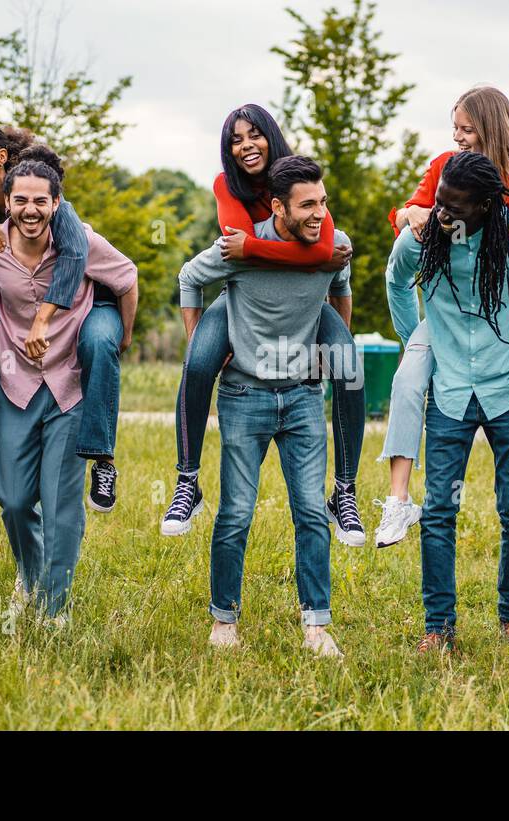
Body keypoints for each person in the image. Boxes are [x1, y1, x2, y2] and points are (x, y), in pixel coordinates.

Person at [387, 151, 509, 653]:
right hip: (450, 391)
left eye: (456, 207)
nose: (444, 214)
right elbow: (395, 281)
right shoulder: (427, 234)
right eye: (440, 202)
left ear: (488, 205)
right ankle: (438, 627)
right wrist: (418, 346)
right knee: (438, 512)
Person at [378, 86, 509, 545]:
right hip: (452, 306)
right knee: (409, 378)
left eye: (467, 129)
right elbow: (407, 217)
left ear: (491, 128)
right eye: (455, 128)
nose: (459, 137)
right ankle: (398, 500)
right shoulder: (445, 167)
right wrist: (413, 212)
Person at [161, 104, 366, 547]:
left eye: (254, 135)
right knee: (197, 365)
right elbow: (242, 250)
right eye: (236, 139)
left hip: (306, 302)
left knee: (349, 363)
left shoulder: (302, 184)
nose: (246, 145)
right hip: (242, 293)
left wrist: (326, 343)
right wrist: (199, 338)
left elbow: (330, 258)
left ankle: (345, 490)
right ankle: (186, 481)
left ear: (272, 136)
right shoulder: (227, 186)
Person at [178, 156, 351, 657]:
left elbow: (341, 292)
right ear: (278, 207)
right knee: (235, 513)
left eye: (323, 201)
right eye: (308, 205)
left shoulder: (331, 249)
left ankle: (317, 626)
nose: (320, 213)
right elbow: (189, 277)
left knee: (311, 515)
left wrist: (329, 343)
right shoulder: (237, 246)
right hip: (244, 394)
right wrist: (200, 346)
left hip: (302, 396)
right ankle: (224, 620)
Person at [0, 160, 136, 625]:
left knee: (61, 502)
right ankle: (30, 578)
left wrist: (120, 337)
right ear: (8, 202)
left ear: (56, 203)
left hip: (68, 385)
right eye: (20, 200)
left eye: (40, 201)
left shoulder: (80, 241)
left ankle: (54, 607)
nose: (30, 209)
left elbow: (127, 276)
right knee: (15, 500)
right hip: (15, 383)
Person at [0, 125, 135, 511]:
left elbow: (72, 260)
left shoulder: (57, 206)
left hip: (87, 302)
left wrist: (125, 336)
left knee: (99, 343)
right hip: (19, 307)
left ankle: (103, 459)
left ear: (1, 157)